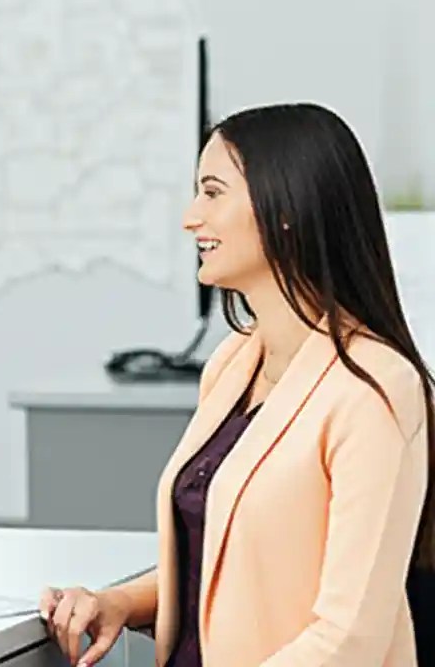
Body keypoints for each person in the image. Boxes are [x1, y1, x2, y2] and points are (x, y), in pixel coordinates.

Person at [39, 103, 434, 666]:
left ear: (285, 209)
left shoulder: (373, 388)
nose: (191, 217)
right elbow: (228, 558)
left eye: (213, 192)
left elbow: (352, 637)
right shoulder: (232, 363)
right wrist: (120, 602)